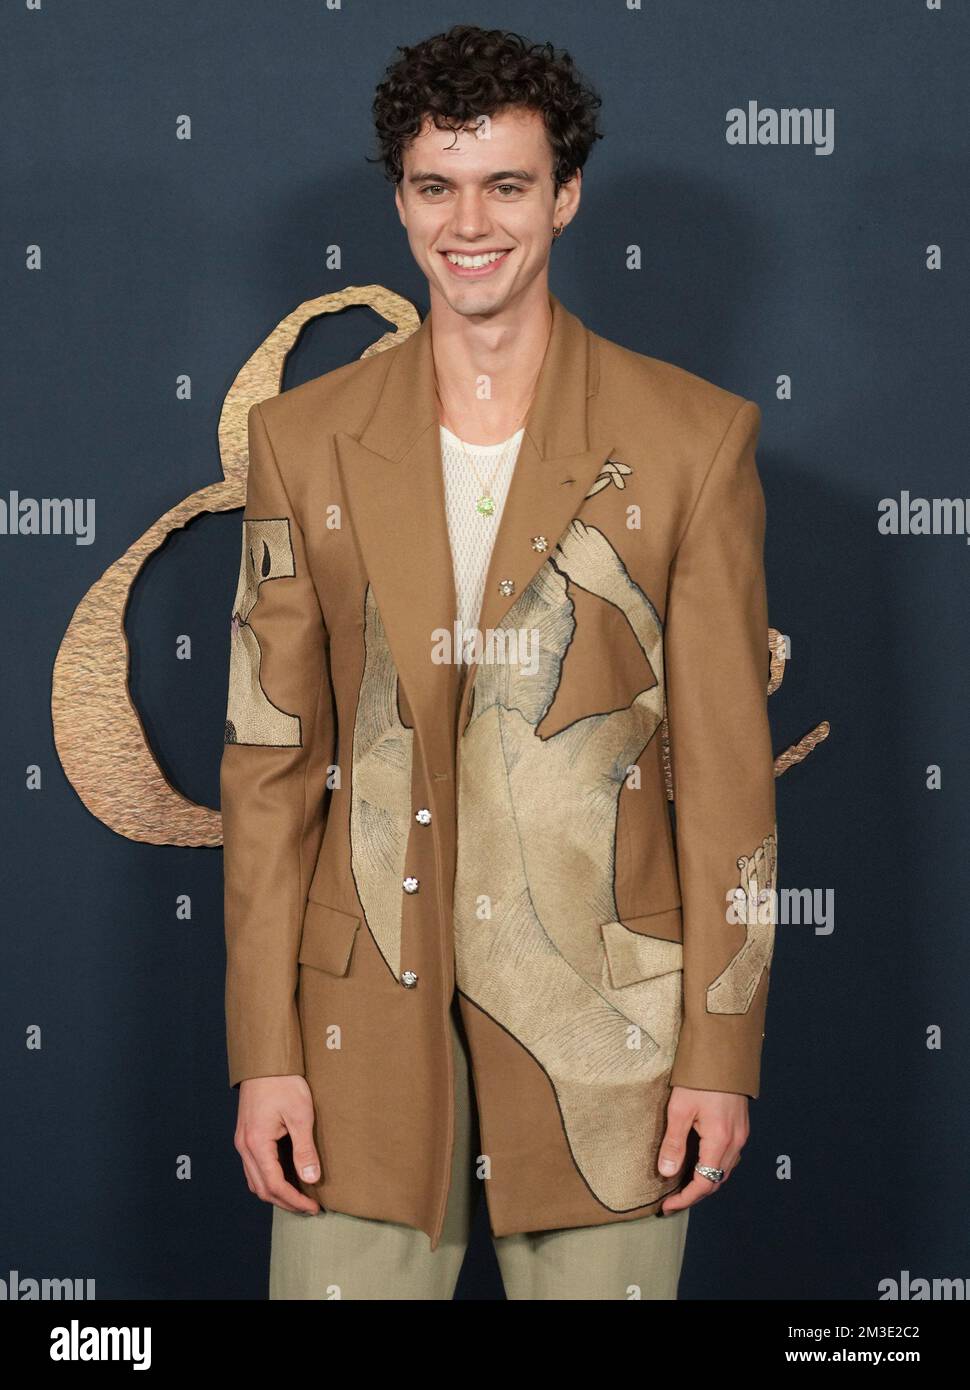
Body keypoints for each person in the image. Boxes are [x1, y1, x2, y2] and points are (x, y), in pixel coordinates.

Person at [220, 22, 778, 1301]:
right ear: (401, 200)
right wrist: (264, 1049)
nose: (469, 222)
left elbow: (730, 782)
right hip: (353, 1016)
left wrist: (721, 1049)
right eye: (436, 185)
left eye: (506, 184)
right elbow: (268, 769)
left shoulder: (695, 440)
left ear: (565, 196)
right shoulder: (299, 442)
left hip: (613, 1024)